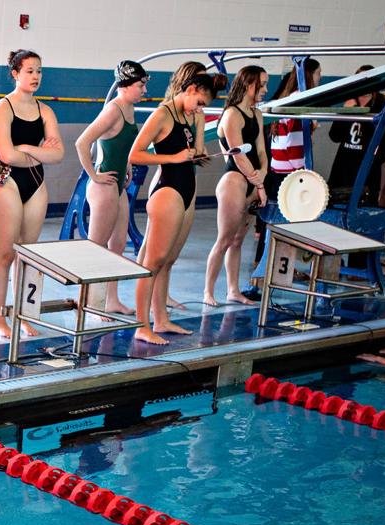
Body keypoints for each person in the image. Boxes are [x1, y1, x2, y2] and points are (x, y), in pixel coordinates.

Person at [129, 71, 221, 344]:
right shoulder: (163, 114)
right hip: (167, 191)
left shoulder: (192, 116)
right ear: (190, 88)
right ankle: (141, 325)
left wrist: (200, 144)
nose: (201, 108)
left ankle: (160, 319)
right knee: (151, 263)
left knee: (167, 261)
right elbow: (135, 154)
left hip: (185, 188)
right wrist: (174, 157)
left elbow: (196, 151)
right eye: (200, 102)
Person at [0, 49, 65, 339]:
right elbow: (6, 154)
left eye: (39, 71)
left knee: (29, 256)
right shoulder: (3, 108)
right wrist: (39, 151)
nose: (35, 76)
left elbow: (59, 154)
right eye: (29, 71)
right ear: (15, 74)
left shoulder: (46, 110)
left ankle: (24, 315)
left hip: (36, 184)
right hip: (7, 183)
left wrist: (29, 150)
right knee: (6, 254)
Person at [74, 60, 147, 316]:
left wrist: (127, 164)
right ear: (126, 85)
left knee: (117, 245)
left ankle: (111, 299)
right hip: (104, 185)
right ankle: (90, 304)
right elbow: (82, 142)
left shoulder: (129, 109)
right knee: (97, 247)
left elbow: (121, 144)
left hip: (117, 185)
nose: (144, 91)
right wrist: (93, 174)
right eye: (141, 85)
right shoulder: (113, 110)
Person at [203, 65, 267, 307]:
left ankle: (233, 290)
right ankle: (208, 291)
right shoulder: (231, 115)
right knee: (224, 240)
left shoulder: (257, 114)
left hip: (252, 182)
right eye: (263, 84)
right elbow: (239, 156)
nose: (265, 90)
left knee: (238, 241)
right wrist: (259, 184)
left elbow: (261, 151)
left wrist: (262, 175)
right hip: (235, 182)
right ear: (250, 85)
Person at [252, 59, 322, 275]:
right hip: (286, 173)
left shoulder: (290, 97)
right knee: (283, 222)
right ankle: (269, 268)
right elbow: (284, 143)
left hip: (281, 170)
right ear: (311, 75)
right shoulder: (298, 100)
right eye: (319, 73)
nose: (320, 78)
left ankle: (273, 266)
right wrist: (299, 172)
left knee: (278, 223)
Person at [326, 66, 385, 206]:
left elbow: (384, 137)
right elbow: (334, 136)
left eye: (369, 79)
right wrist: (344, 113)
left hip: (367, 165)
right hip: (344, 163)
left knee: (364, 205)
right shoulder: (350, 101)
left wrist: (377, 157)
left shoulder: (381, 103)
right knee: (337, 203)